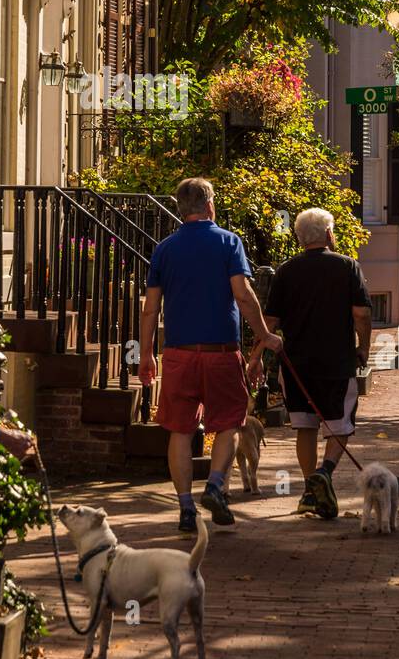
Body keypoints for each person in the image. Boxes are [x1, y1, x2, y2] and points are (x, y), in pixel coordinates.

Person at [138, 177, 283, 533]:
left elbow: (150, 308)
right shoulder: (228, 242)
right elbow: (244, 295)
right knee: (230, 422)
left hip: (178, 353)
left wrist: (145, 354)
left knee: (180, 430)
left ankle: (186, 508)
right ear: (209, 205)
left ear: (180, 208)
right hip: (220, 351)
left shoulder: (164, 249)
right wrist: (264, 335)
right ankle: (216, 485)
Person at [248, 208, 372, 521]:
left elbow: (271, 321)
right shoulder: (347, 266)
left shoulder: (286, 270)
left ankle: (308, 488)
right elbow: (361, 314)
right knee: (339, 424)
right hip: (336, 361)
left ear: (299, 237)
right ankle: (325, 474)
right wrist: (364, 348)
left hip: (296, 364)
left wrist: (256, 357)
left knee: (304, 426)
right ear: (329, 234)